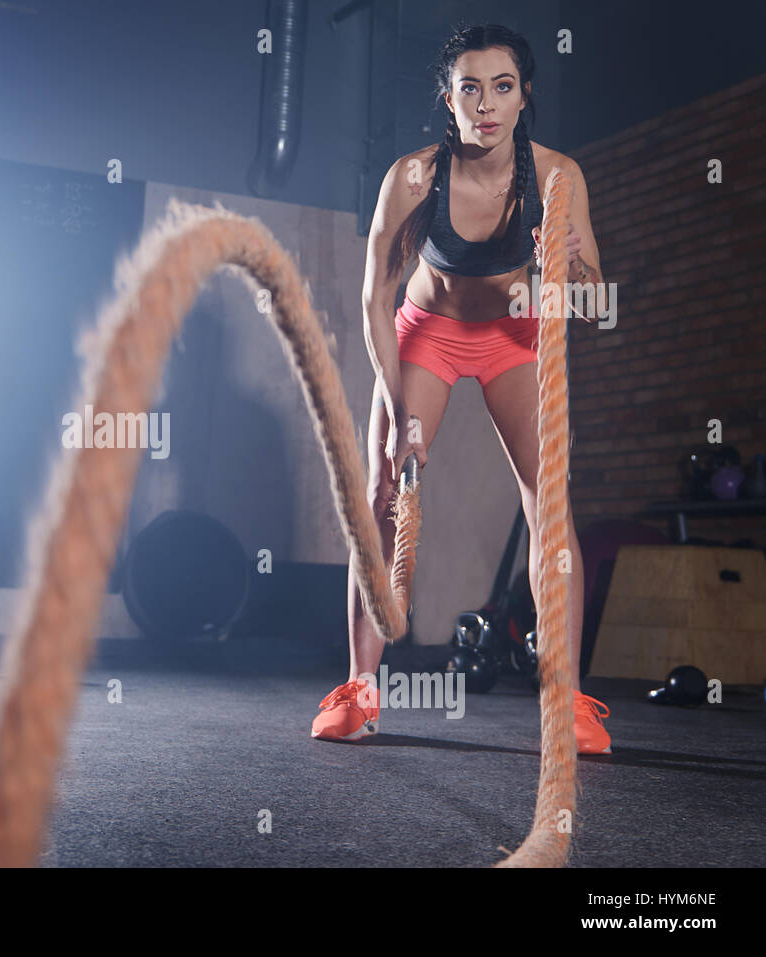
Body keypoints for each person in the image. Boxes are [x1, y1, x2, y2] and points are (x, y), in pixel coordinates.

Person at [311, 23, 611, 754]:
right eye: (469, 87)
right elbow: (374, 298)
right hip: (429, 331)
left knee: (551, 503)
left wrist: (569, 267)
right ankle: (359, 688)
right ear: (448, 99)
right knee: (385, 490)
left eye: (501, 87)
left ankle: (566, 700)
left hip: (514, 337)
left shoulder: (559, 177)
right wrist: (395, 406)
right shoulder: (413, 179)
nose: (485, 104)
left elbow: (597, 307)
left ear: (523, 96)